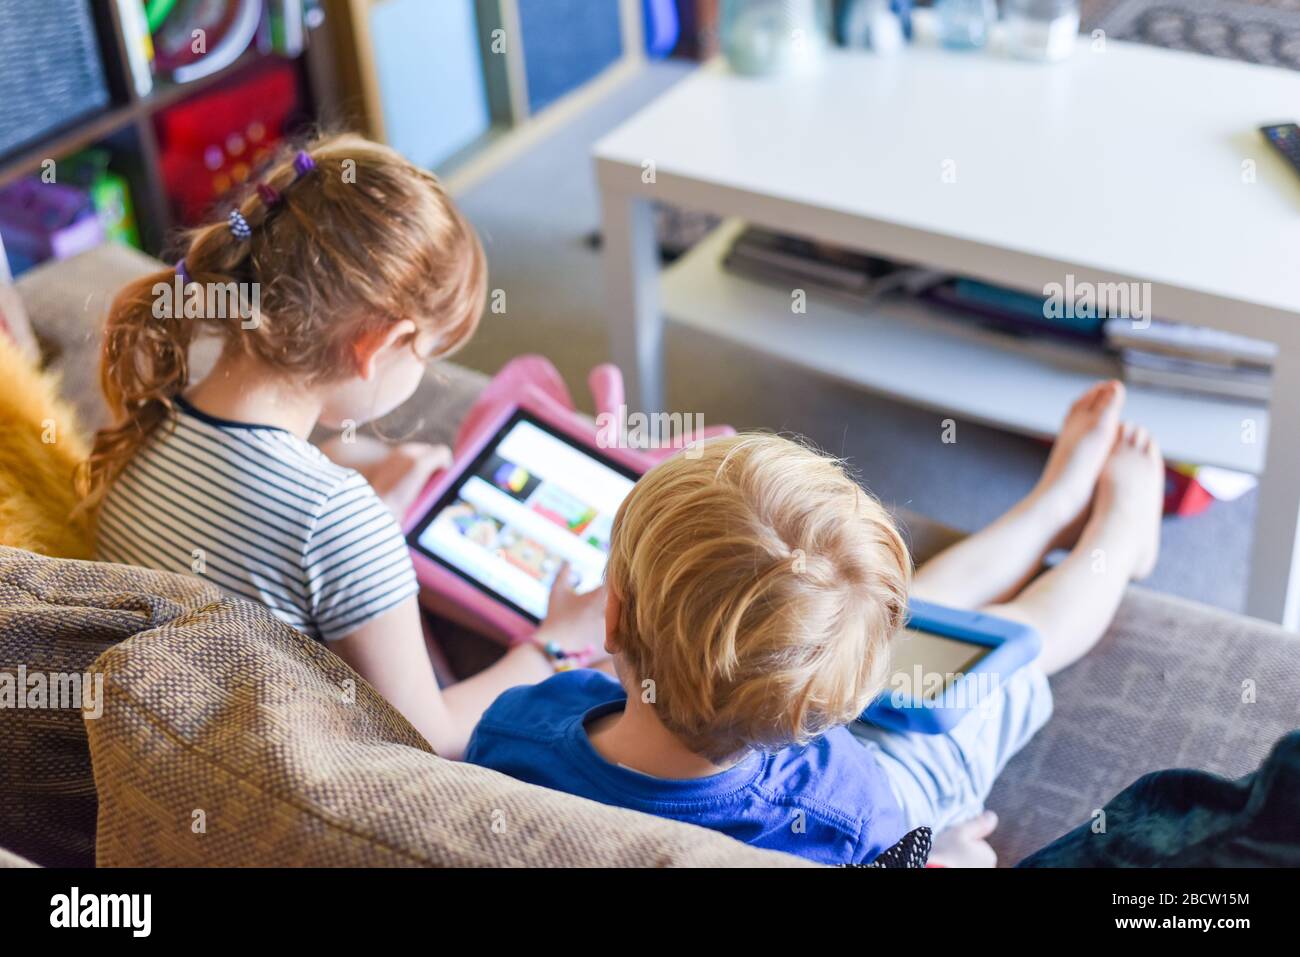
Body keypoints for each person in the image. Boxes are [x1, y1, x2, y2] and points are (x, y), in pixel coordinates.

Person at [466, 383, 1165, 864]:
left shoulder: (516, 726)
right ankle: (1122, 534)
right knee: (1019, 634)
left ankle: (1050, 505)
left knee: (854, 603)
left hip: (792, 693)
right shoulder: (850, 818)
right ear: (841, 704)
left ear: (612, 615)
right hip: (895, 772)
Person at [78, 132, 605, 760]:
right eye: (429, 357)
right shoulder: (332, 516)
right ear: (380, 345)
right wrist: (555, 644)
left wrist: (365, 536)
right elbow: (432, 742)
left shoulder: (153, 422)